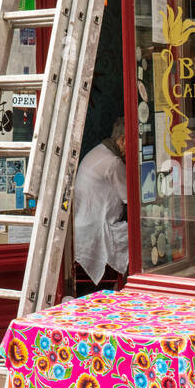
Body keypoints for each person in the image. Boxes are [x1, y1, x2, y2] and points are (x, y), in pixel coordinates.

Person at [73, 118, 128, 286]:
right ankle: (127, 286)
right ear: (123, 140)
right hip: (95, 228)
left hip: (80, 224)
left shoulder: (99, 150)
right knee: (140, 237)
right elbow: (129, 198)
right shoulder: (114, 163)